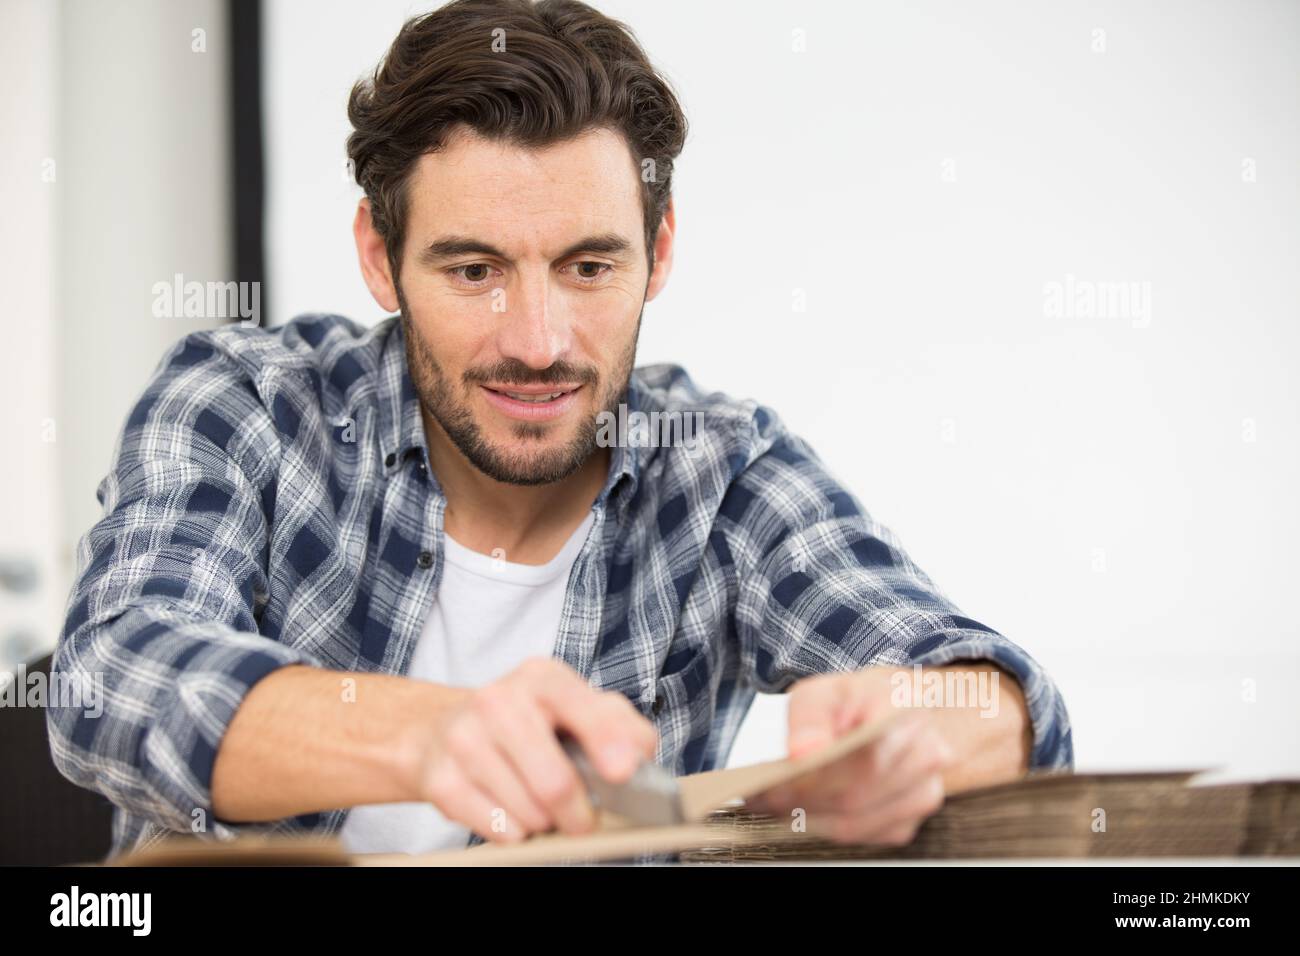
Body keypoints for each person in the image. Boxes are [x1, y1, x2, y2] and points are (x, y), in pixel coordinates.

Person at [48, 0, 1072, 859]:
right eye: (473, 270)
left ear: (658, 248)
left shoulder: (720, 469)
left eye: (589, 268)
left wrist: (923, 731)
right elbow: (115, 675)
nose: (537, 343)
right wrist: (429, 733)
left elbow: (994, 699)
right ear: (377, 252)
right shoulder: (249, 404)